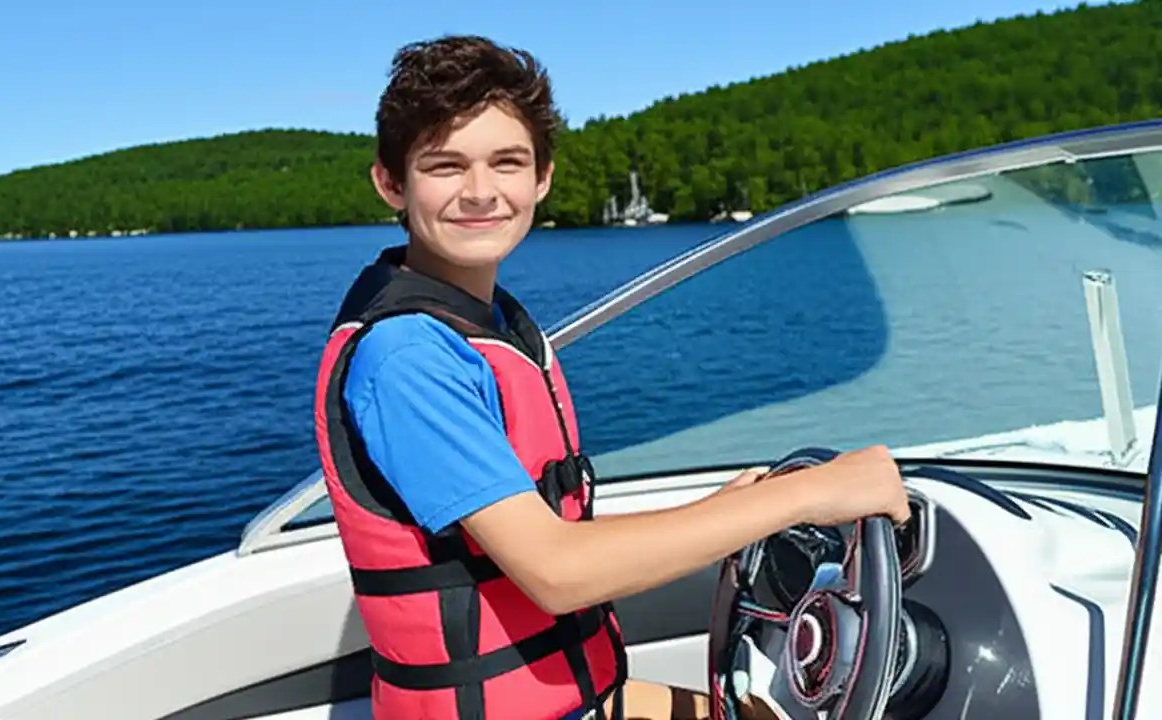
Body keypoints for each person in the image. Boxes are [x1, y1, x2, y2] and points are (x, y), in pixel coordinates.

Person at [312, 34, 911, 720]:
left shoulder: (487, 323)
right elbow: (557, 571)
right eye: (445, 166)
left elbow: (538, 533)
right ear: (392, 182)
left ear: (542, 178)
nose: (480, 192)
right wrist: (808, 496)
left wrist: (721, 511)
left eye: (506, 163)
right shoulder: (408, 360)